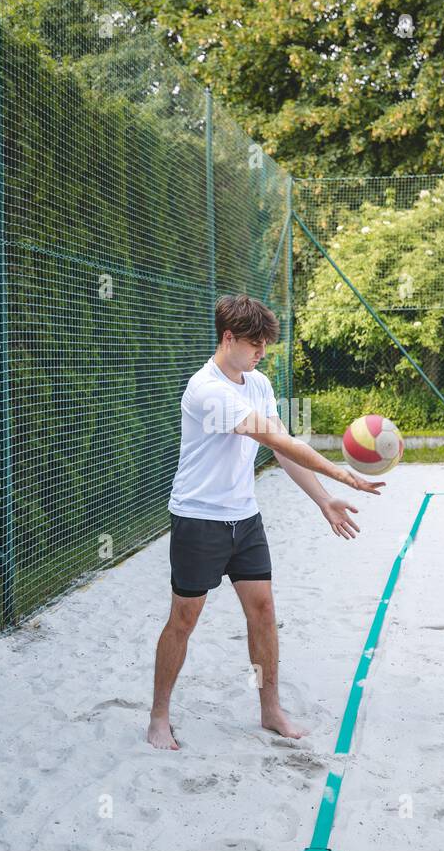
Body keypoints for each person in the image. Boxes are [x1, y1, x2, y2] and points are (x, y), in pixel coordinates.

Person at [148, 293, 385, 750]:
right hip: (199, 519)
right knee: (184, 619)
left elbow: (279, 447)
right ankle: (159, 715)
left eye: (265, 347)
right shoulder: (206, 390)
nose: (261, 354)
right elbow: (273, 436)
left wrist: (323, 499)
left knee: (264, 611)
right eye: (254, 345)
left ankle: (270, 709)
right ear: (228, 337)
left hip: (245, 518)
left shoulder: (255, 382)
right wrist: (338, 470)